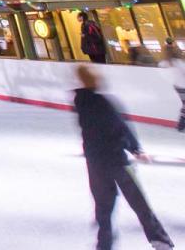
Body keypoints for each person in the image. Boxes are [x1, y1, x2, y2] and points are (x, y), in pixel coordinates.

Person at [73, 65, 174, 250]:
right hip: (117, 160)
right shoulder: (103, 102)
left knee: (103, 205)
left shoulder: (80, 102)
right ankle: (159, 239)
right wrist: (136, 149)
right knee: (138, 202)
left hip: (95, 162)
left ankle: (104, 244)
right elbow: (119, 127)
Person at [161, 41, 185, 132]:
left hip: (177, 86)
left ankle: (181, 124)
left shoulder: (165, 63)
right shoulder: (178, 62)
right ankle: (181, 124)